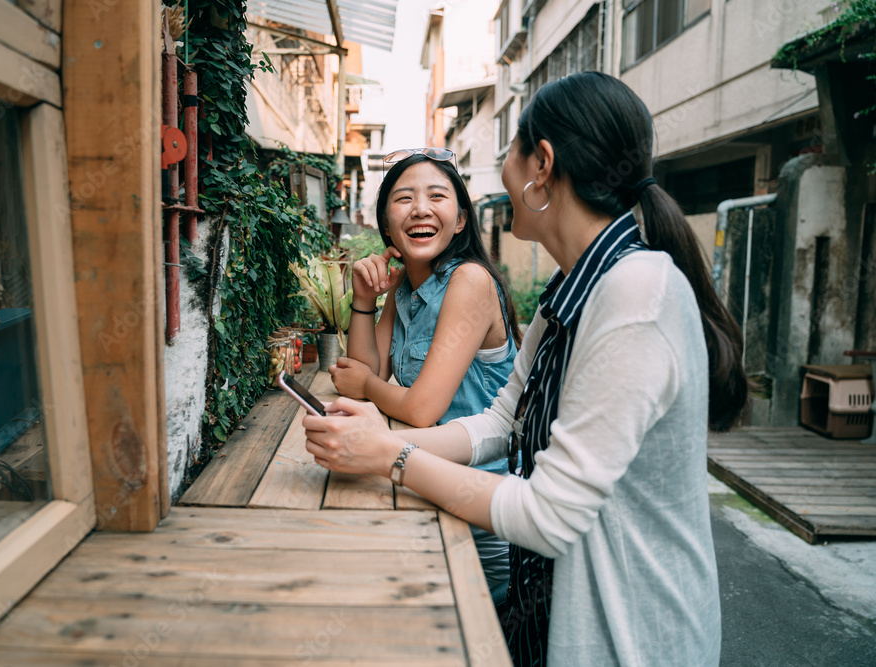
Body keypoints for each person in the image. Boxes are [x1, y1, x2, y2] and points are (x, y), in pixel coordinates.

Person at [303, 71, 748, 666]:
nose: (500, 174)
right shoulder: (572, 287)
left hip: (629, 636)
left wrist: (391, 455)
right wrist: (374, 437)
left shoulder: (636, 294)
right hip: (554, 614)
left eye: (509, 149)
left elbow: (549, 512)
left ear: (541, 164)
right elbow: (497, 421)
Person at [329, 148, 522, 605]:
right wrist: (364, 299)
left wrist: (368, 389)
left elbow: (418, 407)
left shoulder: (470, 281)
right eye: (403, 199)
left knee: (471, 629)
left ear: (459, 220)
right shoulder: (406, 288)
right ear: (386, 222)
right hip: (428, 480)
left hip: (484, 503)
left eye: (437, 195)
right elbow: (369, 369)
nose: (420, 208)